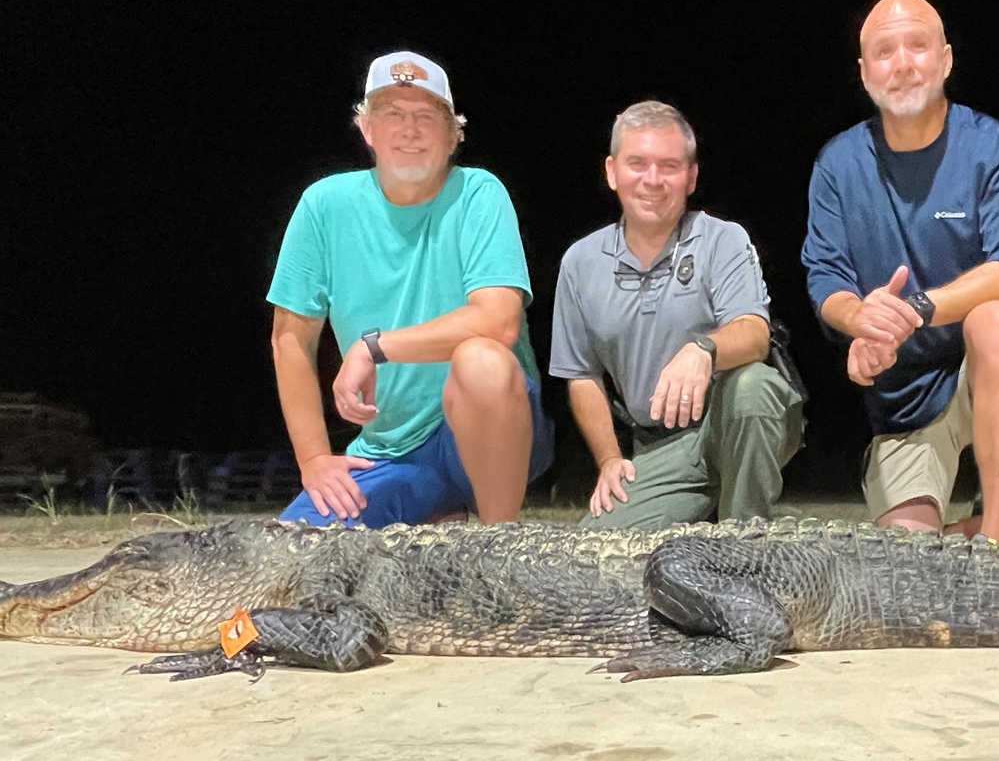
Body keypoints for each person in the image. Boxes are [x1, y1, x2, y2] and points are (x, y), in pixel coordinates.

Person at [801, 0, 999, 546]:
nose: (904, 63)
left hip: (990, 365)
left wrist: (914, 310)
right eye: (885, 51)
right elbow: (826, 282)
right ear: (865, 72)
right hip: (906, 394)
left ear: (946, 59)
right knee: (909, 555)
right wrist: (863, 321)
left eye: (919, 45)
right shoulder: (838, 164)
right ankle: (980, 530)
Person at [267, 51, 553, 527]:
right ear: (367, 129)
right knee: (292, 544)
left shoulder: (478, 192)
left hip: (494, 433)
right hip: (391, 448)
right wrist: (315, 458)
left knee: (480, 358)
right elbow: (290, 337)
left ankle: (498, 539)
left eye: (426, 116)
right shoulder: (323, 205)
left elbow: (498, 320)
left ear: (453, 134)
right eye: (392, 114)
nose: (410, 130)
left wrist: (373, 347)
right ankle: (439, 508)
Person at [552, 100, 804, 527]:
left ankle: (745, 541)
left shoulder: (722, 239)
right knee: (595, 547)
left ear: (690, 177)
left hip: (732, 422)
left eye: (669, 166)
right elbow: (581, 374)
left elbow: (755, 334)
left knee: (754, 385)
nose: (652, 180)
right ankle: (701, 509)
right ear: (612, 172)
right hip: (659, 446)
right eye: (638, 164)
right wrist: (610, 458)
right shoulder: (580, 262)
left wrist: (702, 350)